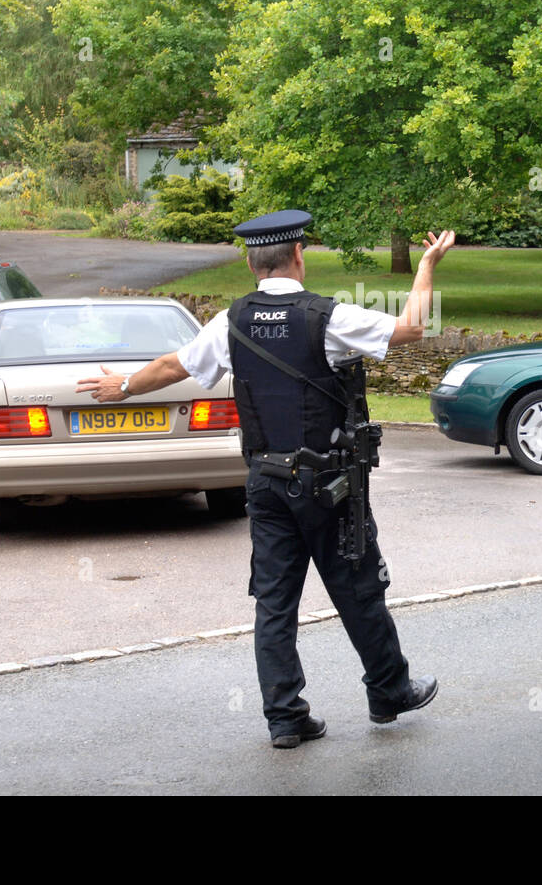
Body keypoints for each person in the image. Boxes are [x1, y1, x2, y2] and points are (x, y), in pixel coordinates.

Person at [76, 210, 456, 748]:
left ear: (251, 263)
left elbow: (173, 366)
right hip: (327, 485)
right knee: (357, 586)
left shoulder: (229, 322)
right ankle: (388, 691)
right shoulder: (327, 317)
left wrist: (124, 386)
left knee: (275, 601)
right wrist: (426, 265)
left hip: (265, 483)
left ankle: (285, 719)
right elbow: (414, 326)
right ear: (298, 256)